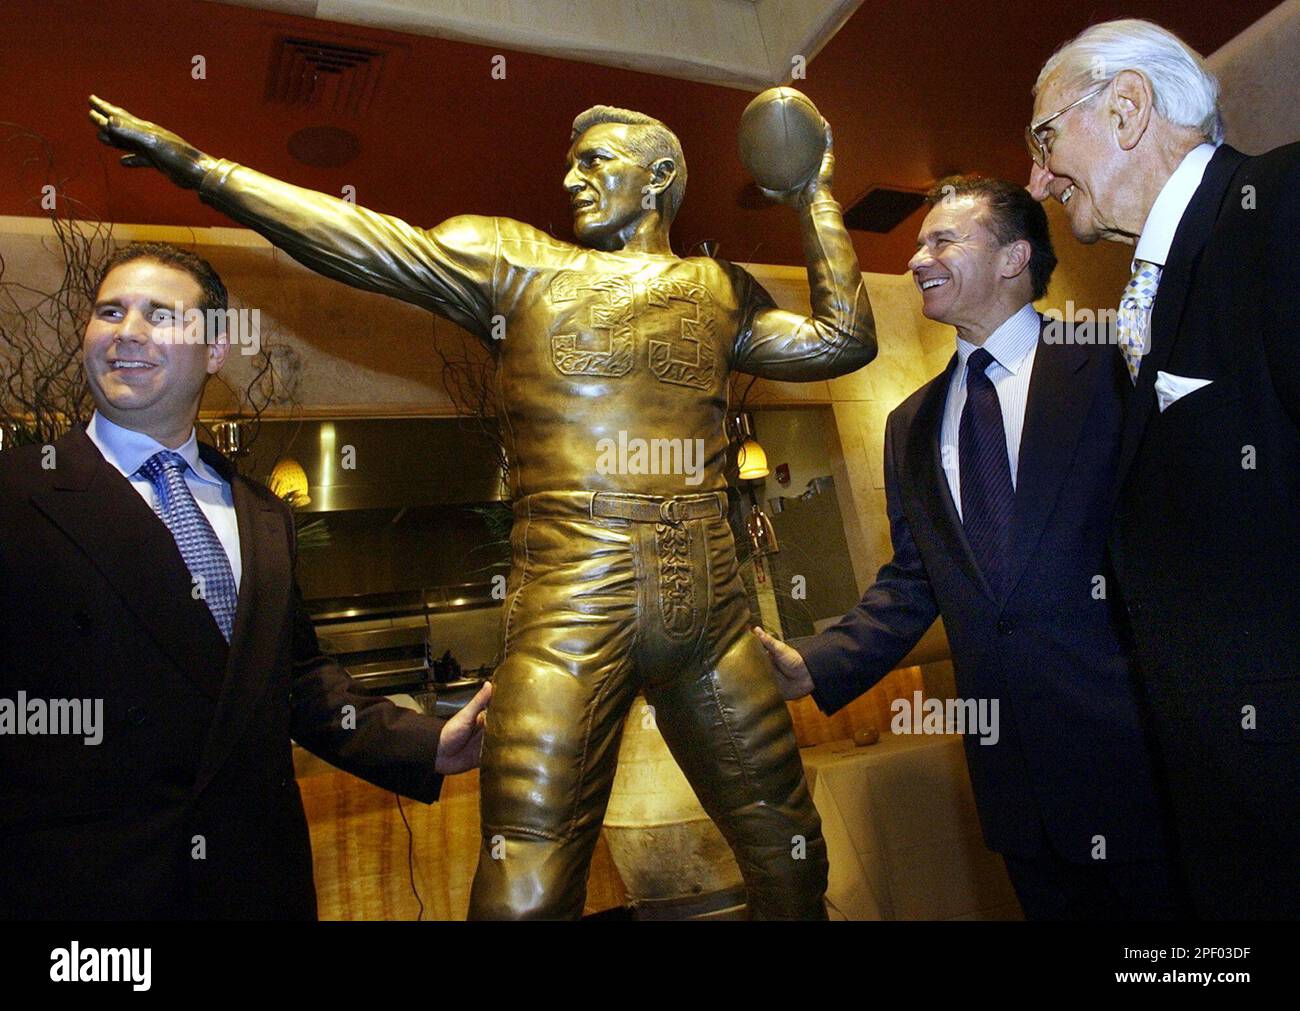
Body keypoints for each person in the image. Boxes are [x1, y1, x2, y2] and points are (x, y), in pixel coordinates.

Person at [87, 96, 878, 919]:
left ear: (661, 178)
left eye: (596, 162)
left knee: (791, 855)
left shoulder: (719, 290)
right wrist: (203, 170)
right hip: (574, 599)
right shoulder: (517, 264)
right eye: (573, 164)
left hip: (707, 598)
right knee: (527, 886)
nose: (572, 178)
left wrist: (813, 197)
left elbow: (843, 340)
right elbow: (363, 240)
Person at [0, 243, 491, 920]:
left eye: (160, 314)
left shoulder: (262, 513)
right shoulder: (18, 495)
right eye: (109, 311)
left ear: (214, 350)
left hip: (256, 882)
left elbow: (295, 681)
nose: (127, 332)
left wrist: (426, 742)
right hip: (87, 901)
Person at [755, 176, 1180, 920]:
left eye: (942, 239)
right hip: (1017, 794)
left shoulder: (1111, 364)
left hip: (1142, 765)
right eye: (919, 243)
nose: (918, 257)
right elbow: (912, 581)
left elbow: (1183, 530)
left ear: (1016, 256)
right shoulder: (909, 423)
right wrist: (813, 662)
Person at [1026, 18, 1299, 920]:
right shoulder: (1142, 303)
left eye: (1045, 137)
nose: (1039, 176)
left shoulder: (1279, 204)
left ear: (1129, 108)